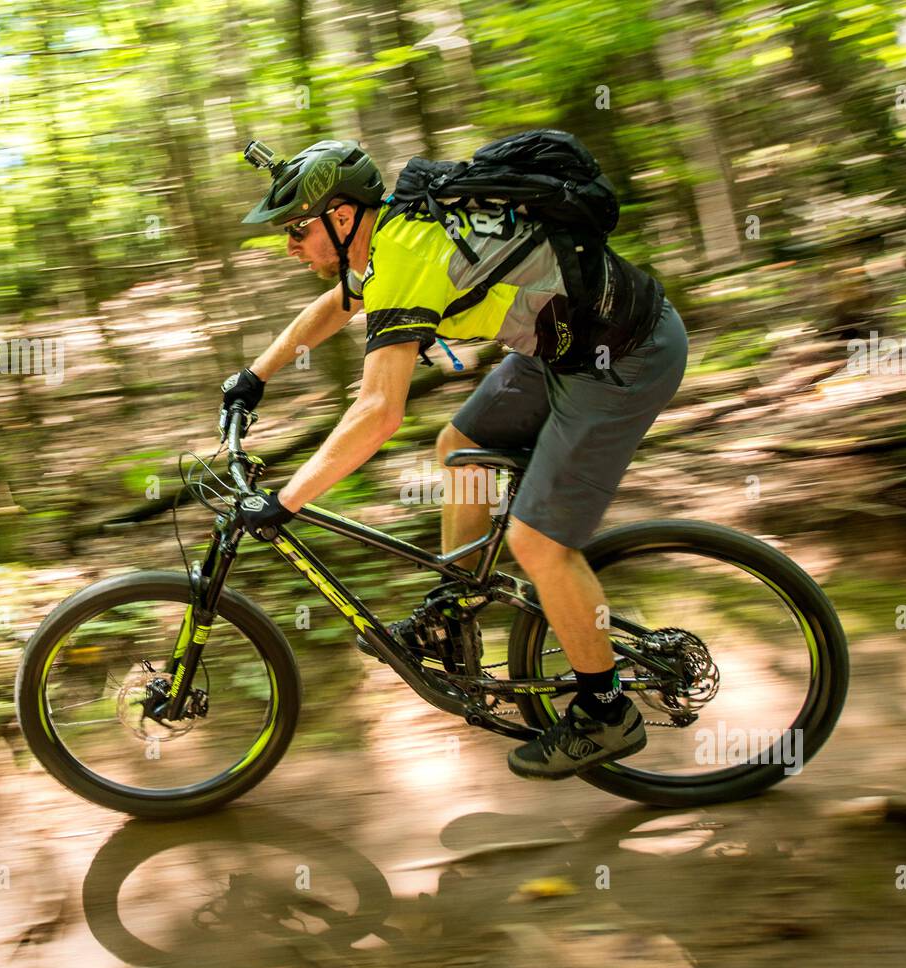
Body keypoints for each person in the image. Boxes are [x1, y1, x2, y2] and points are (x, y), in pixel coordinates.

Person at [222, 137, 689, 780]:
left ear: (341, 215)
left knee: (539, 542)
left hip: (626, 354)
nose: (290, 245)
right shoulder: (393, 234)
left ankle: (606, 712)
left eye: (298, 229)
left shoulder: (406, 253)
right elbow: (341, 303)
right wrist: (256, 373)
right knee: (460, 447)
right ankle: (455, 612)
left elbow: (378, 412)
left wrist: (285, 501)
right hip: (559, 345)